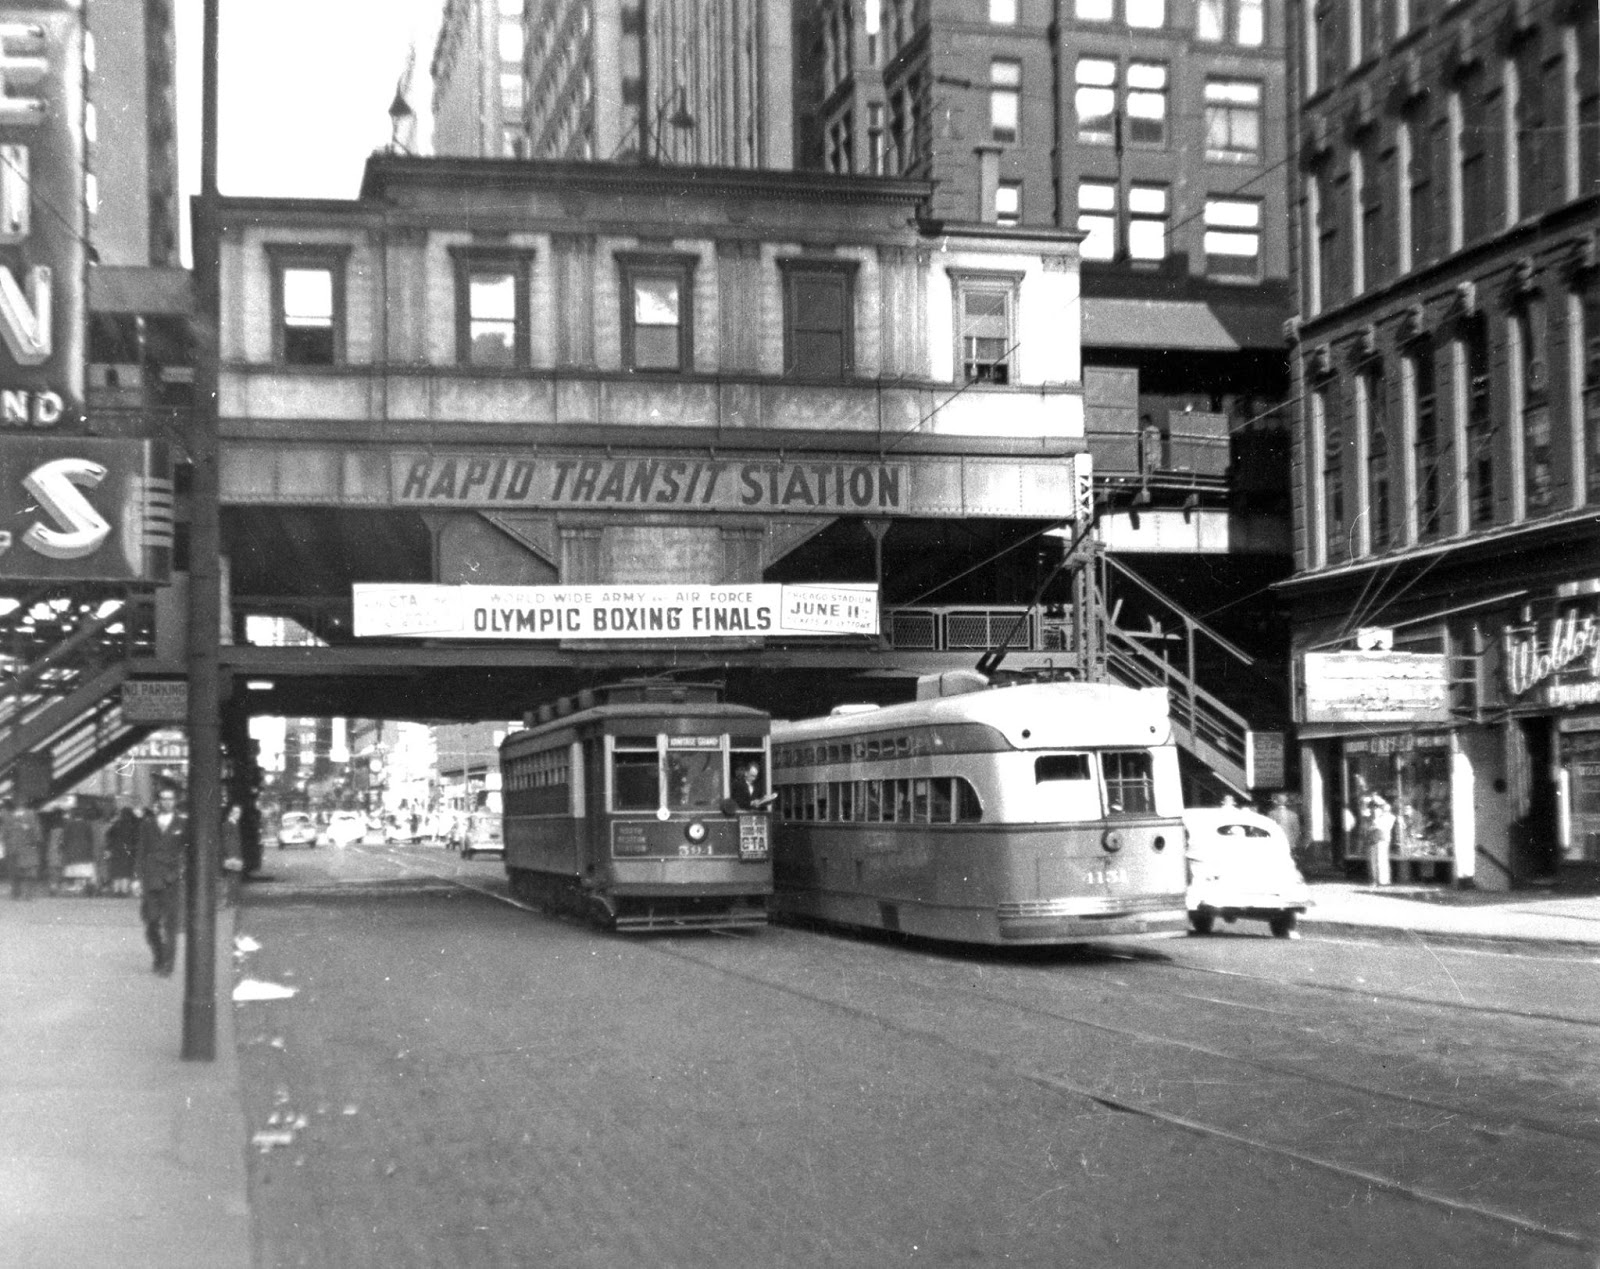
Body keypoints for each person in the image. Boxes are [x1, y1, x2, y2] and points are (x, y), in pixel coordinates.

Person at [134, 783, 189, 975]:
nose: (167, 802)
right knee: (151, 924)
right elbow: (141, 851)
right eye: (163, 798)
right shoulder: (148, 824)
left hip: (171, 881)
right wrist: (136, 879)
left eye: (170, 798)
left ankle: (168, 965)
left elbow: (187, 853)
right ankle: (159, 956)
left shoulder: (182, 824)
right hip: (151, 880)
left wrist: (178, 872)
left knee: (170, 926)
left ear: (175, 801)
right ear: (159, 801)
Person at [6, 798, 43, 900]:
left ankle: (22, 894)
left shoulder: (26, 815)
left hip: (21, 847)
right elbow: (37, 832)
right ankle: (23, 894)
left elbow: (36, 831)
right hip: (21, 847)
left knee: (25, 871)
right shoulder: (29, 814)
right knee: (24, 871)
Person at [105, 807, 140, 895]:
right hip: (128, 850)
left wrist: (110, 847)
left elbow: (108, 835)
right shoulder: (133, 825)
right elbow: (136, 838)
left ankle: (116, 890)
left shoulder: (117, 824)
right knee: (126, 871)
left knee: (116, 871)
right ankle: (124, 890)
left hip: (116, 850)